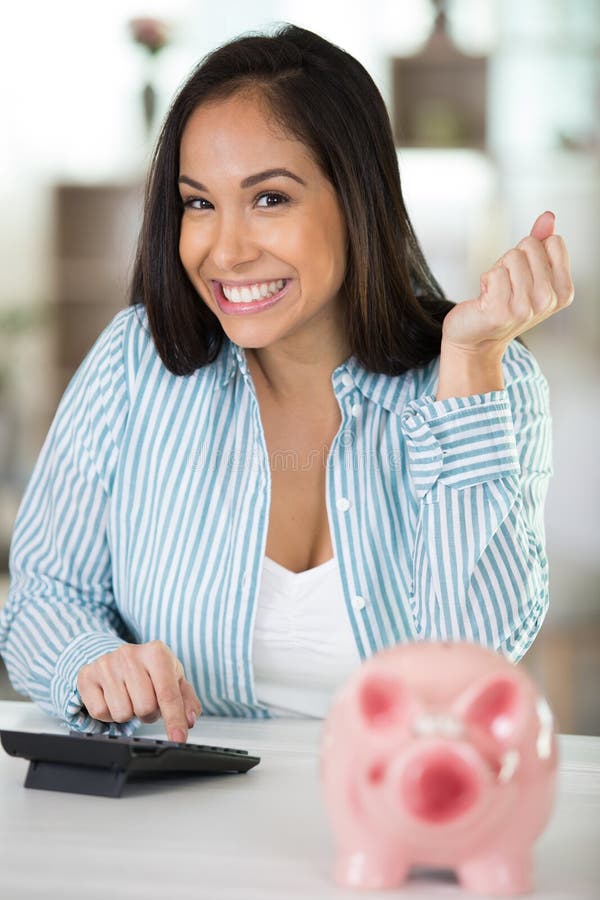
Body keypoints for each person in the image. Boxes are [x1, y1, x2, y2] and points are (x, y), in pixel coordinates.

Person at [0, 24, 573, 743]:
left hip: (392, 824)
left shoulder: (490, 382)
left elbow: (471, 666)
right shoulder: (134, 363)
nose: (226, 250)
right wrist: (93, 661)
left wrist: (471, 366)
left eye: (270, 199)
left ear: (356, 198)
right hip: (166, 826)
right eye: (199, 204)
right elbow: (47, 596)